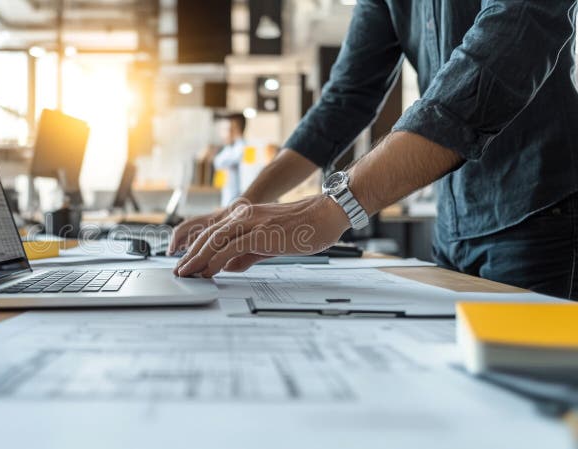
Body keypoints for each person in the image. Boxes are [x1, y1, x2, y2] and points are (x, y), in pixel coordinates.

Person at [169, 0, 578, 300]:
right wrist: (244, 206)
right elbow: (344, 100)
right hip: (453, 222)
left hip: (539, 214)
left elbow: (495, 61)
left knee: (523, 397)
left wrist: (334, 207)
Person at [213, 113, 247, 206]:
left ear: (235, 129)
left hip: (237, 204)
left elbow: (222, 162)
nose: (222, 134)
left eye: (225, 129)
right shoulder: (228, 148)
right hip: (228, 202)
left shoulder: (243, 148)